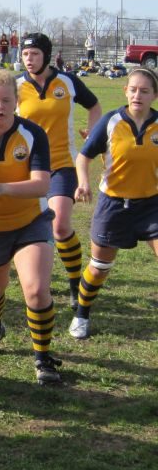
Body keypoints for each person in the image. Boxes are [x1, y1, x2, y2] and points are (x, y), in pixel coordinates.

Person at [0, 70, 62, 384]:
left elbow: (41, 185)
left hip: (30, 222)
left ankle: (43, 357)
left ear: (16, 102)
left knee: (35, 290)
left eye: (7, 100)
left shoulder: (33, 134)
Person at [69, 67, 158, 339]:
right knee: (99, 267)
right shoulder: (110, 121)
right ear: (125, 91)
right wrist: (83, 182)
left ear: (154, 95)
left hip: (152, 205)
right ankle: (82, 314)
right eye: (133, 90)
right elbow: (83, 157)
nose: (137, 95)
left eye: (144, 91)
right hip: (114, 205)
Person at [17, 33, 101, 309]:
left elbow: (94, 105)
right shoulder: (16, 85)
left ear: (47, 55)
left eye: (35, 55)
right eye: (26, 55)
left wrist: (93, 135)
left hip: (63, 164)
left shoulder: (68, 81)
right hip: (26, 169)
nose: (29, 60)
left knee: (61, 225)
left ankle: (76, 283)